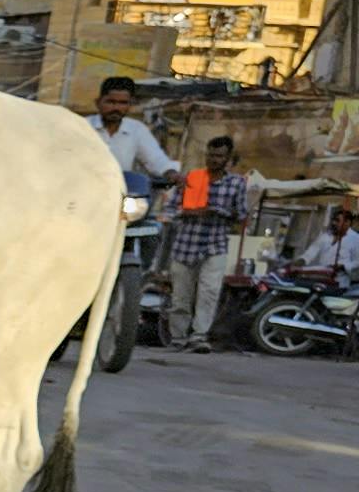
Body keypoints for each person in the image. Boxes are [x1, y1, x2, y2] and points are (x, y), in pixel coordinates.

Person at [175, 136, 305, 352]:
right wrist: (189, 212)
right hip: (185, 245)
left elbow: (242, 214)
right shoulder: (192, 178)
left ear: (227, 159)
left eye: (218, 156)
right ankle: (178, 338)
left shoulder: (236, 183)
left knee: (208, 294)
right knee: (181, 296)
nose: (213, 160)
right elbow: (171, 209)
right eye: (210, 155)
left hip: (215, 246)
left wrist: (220, 212)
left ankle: (198, 336)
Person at [92, 76, 179, 189]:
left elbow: (156, 159)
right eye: (111, 102)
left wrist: (171, 172)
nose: (116, 108)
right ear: (98, 102)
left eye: (122, 103)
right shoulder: (82, 126)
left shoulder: (136, 129)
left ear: (130, 105)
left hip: (119, 191)